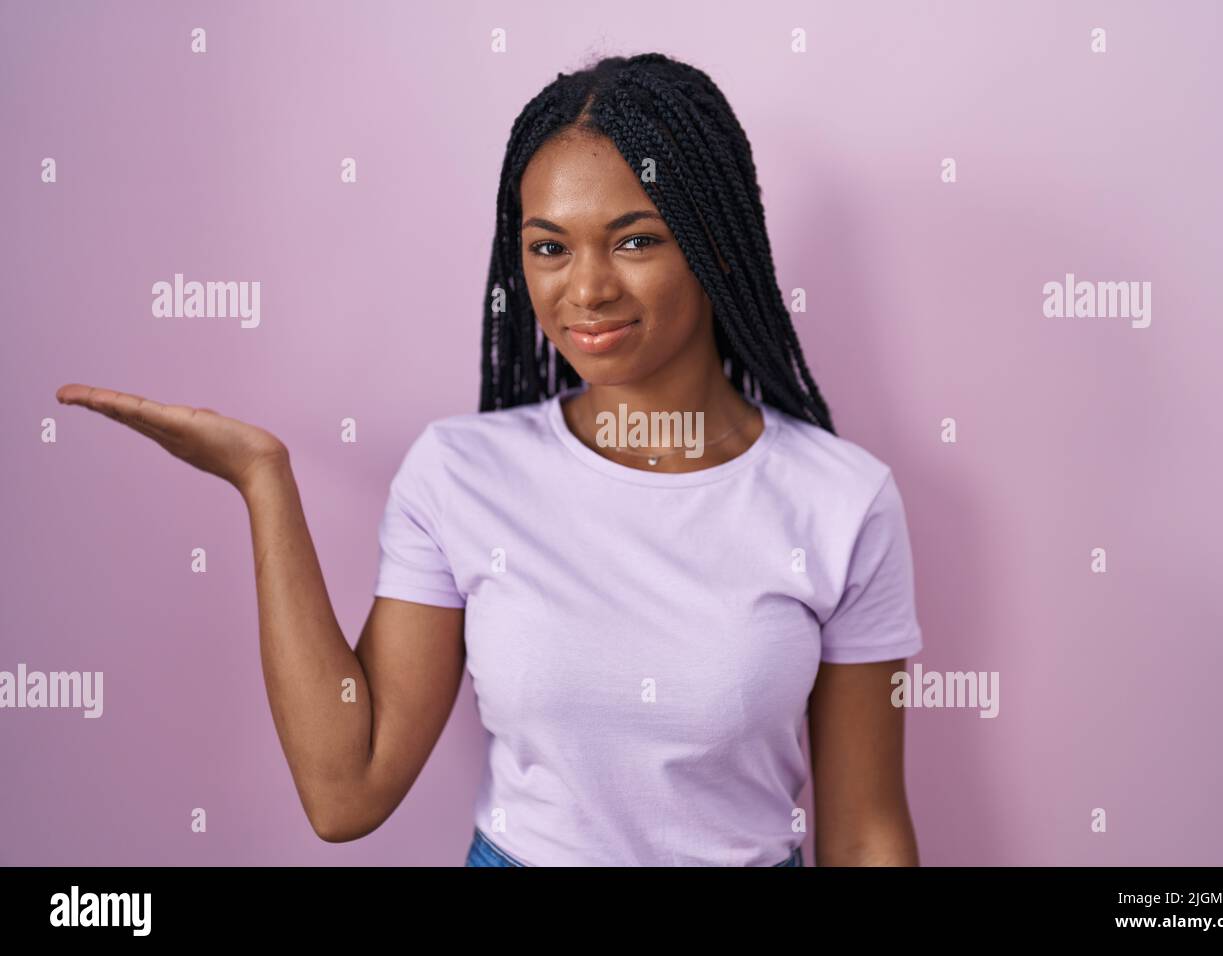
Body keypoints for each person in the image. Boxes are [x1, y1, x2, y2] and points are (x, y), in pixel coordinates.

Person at [55, 51, 924, 867]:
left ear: (717, 245)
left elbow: (864, 833)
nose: (586, 289)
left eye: (634, 240)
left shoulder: (841, 501)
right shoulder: (461, 474)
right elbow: (344, 791)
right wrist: (263, 481)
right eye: (549, 246)